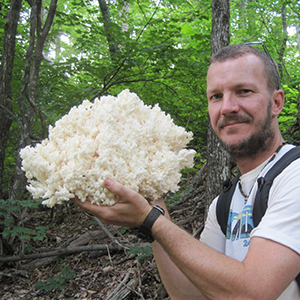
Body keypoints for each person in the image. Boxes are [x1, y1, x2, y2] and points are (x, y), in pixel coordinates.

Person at [72, 44, 300, 299]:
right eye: (215, 96)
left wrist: (150, 220)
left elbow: (252, 292)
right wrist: (153, 208)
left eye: (243, 91)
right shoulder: (223, 204)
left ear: (276, 102)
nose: (227, 107)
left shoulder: (295, 176)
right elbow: (193, 293)